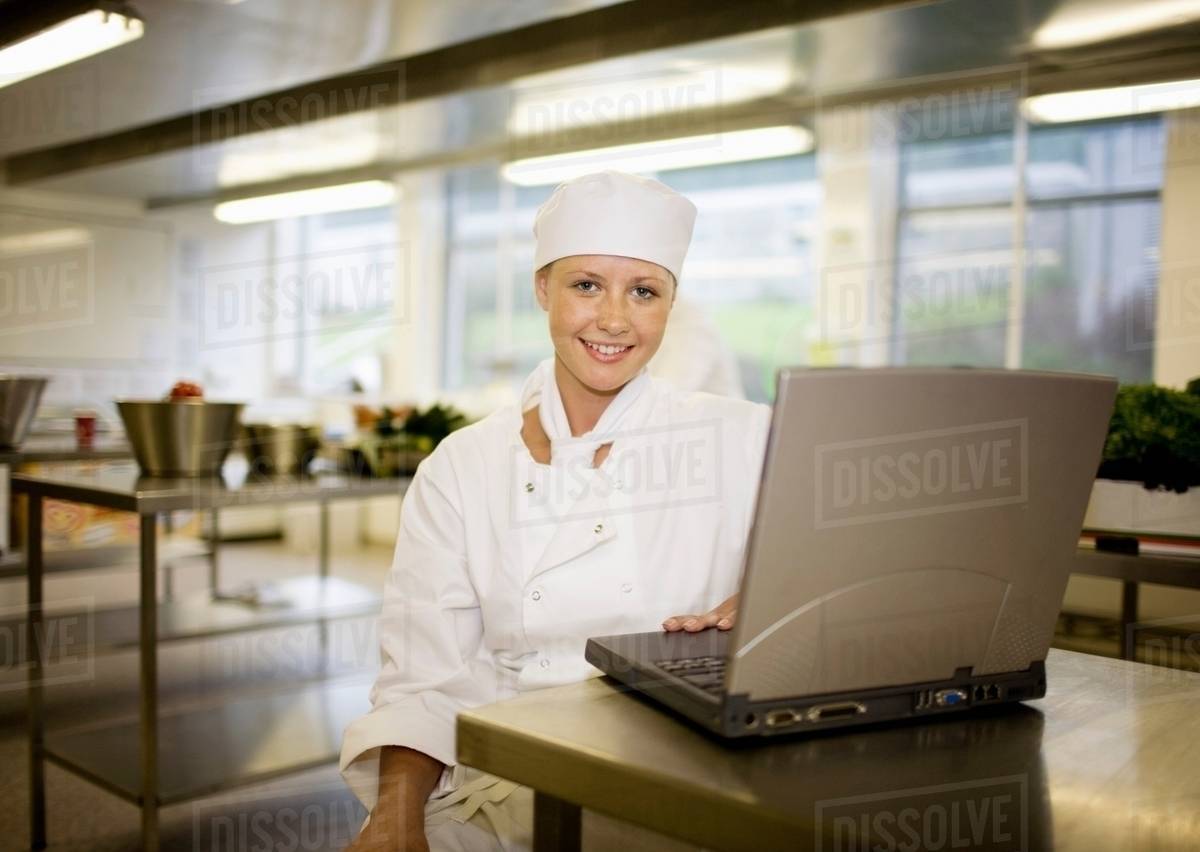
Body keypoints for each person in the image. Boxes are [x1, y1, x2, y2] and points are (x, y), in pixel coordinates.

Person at [341, 170, 771, 851]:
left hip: (689, 782)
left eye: (644, 292)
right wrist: (393, 819)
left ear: (671, 304)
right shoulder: (463, 466)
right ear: (543, 289)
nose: (613, 319)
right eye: (586, 285)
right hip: (507, 780)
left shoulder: (743, 440)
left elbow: (857, 585)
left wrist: (770, 609)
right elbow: (423, 681)